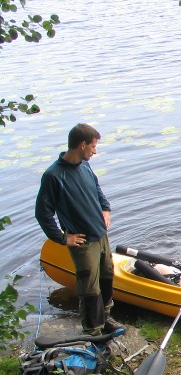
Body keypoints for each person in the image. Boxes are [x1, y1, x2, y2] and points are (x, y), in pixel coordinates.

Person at [35, 123, 125, 337]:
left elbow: (97, 189)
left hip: (101, 235)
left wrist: (106, 209)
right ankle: (93, 331)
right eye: (93, 147)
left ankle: (105, 318)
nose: (95, 151)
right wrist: (62, 238)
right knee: (89, 288)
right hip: (83, 241)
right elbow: (42, 213)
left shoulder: (85, 166)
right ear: (82, 144)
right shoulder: (53, 176)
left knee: (106, 278)